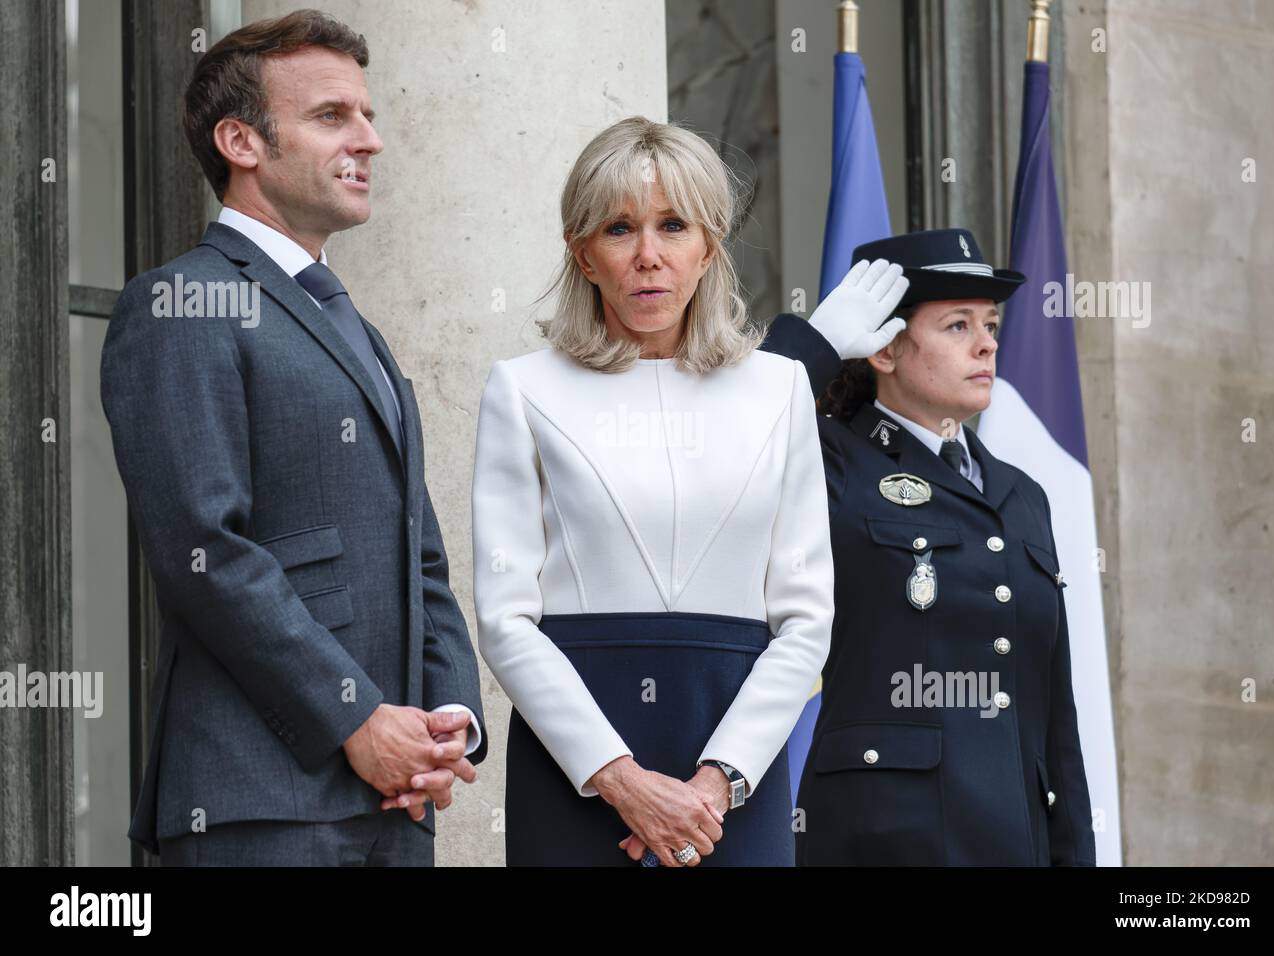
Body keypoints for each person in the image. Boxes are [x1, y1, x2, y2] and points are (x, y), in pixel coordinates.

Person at [100, 10, 486, 866]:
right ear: (241, 141)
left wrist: (449, 714)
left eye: (368, 114)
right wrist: (353, 717)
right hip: (256, 807)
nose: (370, 139)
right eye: (332, 116)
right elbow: (205, 549)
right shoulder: (180, 303)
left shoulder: (352, 326)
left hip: (394, 803)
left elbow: (415, 552)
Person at [471, 116, 834, 866]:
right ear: (584, 254)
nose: (648, 256)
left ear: (709, 247)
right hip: (573, 766)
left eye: (673, 226)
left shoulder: (781, 388)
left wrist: (715, 784)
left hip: (738, 768)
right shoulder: (522, 389)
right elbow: (506, 620)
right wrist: (619, 779)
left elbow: (806, 618)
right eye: (618, 229)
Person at [762, 228, 1096, 865]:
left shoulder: (1022, 494)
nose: (987, 342)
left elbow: (1055, 717)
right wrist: (818, 344)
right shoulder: (827, 458)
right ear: (884, 348)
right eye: (957, 325)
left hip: (1014, 838)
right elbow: (734, 436)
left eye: (991, 323)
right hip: (883, 838)